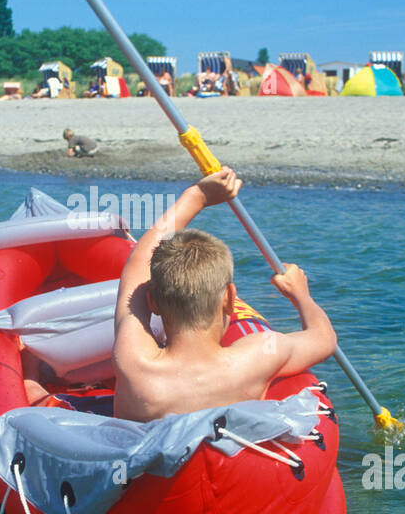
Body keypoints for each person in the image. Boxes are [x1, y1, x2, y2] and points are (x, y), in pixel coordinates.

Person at [104, 168, 336, 423]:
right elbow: (324, 339)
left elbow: (138, 263)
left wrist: (197, 195)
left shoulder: (134, 361)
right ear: (230, 298)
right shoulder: (259, 356)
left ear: (152, 303)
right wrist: (301, 295)